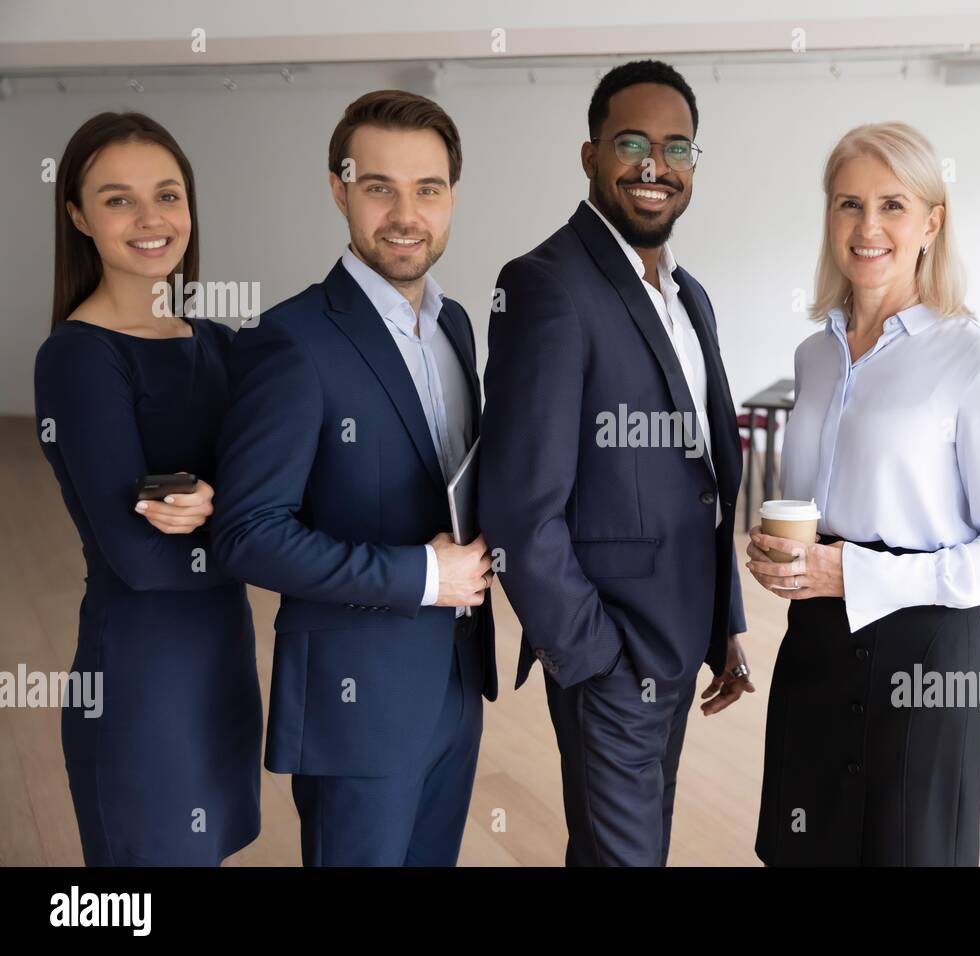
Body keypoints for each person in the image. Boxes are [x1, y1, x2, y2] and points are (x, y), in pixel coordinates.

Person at [211, 90, 496, 866]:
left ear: (451, 199)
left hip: (455, 681)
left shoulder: (456, 324)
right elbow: (246, 534)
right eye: (379, 187)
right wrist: (420, 574)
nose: (406, 214)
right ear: (339, 189)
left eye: (427, 189)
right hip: (357, 699)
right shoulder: (292, 340)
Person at [478, 59, 751, 867]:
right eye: (631, 142)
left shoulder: (686, 295)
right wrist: (592, 659)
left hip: (675, 644)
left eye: (677, 148)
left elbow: (705, 481)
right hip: (611, 657)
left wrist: (723, 623)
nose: (654, 165)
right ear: (591, 154)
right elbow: (521, 508)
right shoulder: (546, 285)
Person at [746, 121, 980, 866]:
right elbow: (814, 501)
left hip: (924, 652)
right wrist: (781, 553)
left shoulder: (976, 361)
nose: (867, 226)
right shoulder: (815, 354)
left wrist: (859, 573)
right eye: (848, 205)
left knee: (908, 852)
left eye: (892, 205)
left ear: (931, 222)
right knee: (801, 849)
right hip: (815, 636)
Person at [34, 111, 261, 865]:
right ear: (77, 215)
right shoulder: (77, 358)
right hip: (142, 677)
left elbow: (284, 487)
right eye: (117, 199)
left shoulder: (221, 345)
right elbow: (142, 558)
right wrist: (266, 536)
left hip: (223, 664)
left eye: (167, 195)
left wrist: (231, 513)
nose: (151, 219)